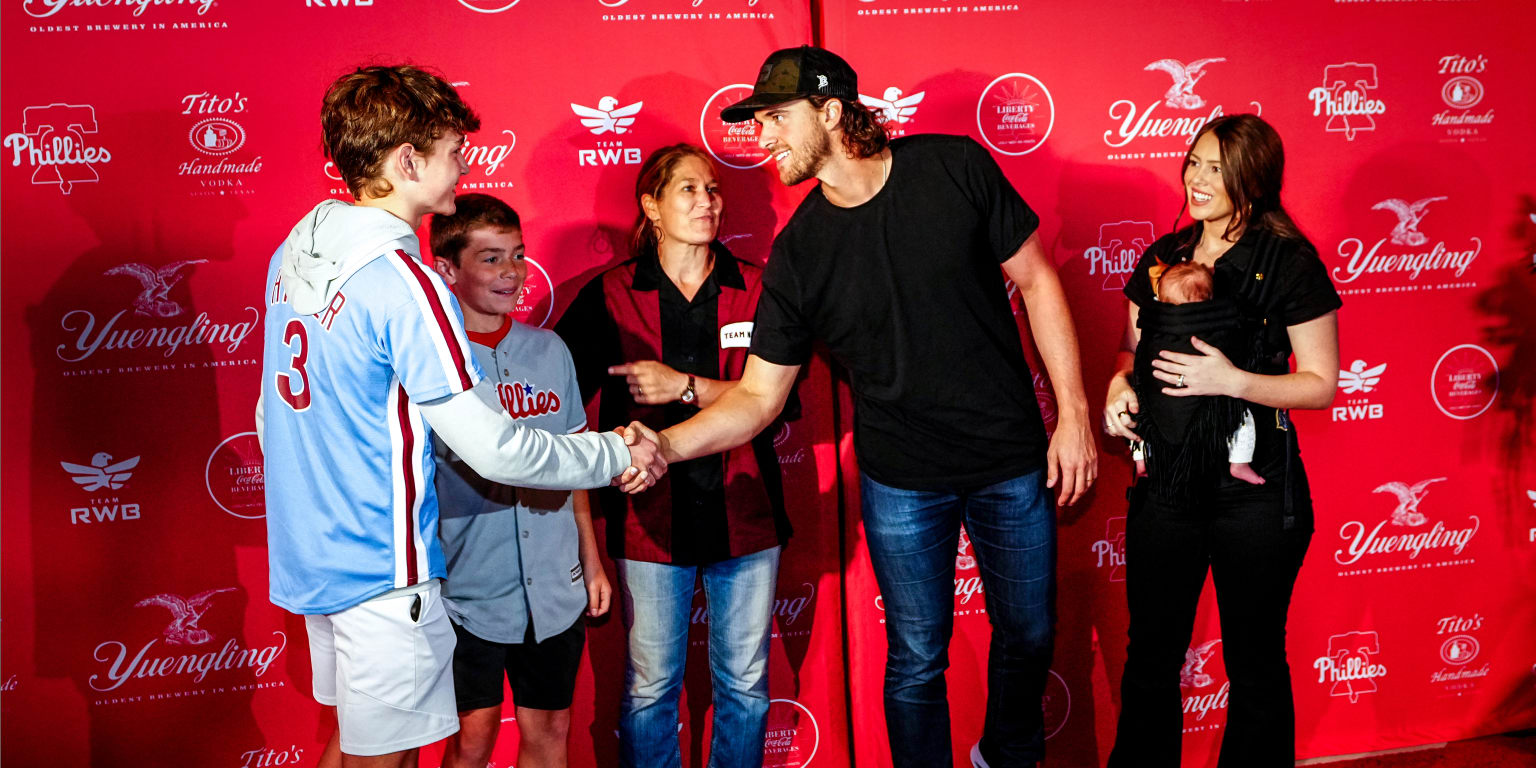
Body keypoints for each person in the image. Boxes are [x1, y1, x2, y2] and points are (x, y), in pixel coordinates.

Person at [625, 47, 1098, 768]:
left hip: (1008, 458)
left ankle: (1005, 756)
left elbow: (1036, 281)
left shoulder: (953, 167)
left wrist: (1073, 416)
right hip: (903, 482)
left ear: (832, 111)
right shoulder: (800, 253)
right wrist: (665, 446)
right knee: (914, 660)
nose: (763, 138)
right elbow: (757, 397)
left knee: (1030, 636)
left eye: (775, 118)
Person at [256, 65, 663, 768]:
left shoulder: (294, 253)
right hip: (383, 568)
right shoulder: (406, 282)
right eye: (452, 150)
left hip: (315, 557)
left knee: (354, 743)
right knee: (390, 757)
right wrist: (613, 452)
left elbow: (270, 419)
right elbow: (497, 450)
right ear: (407, 161)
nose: (462, 166)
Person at [1102, 113, 1341, 768]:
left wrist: (1233, 379)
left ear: (1254, 181)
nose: (1198, 179)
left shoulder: (1288, 260)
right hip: (1167, 489)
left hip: (1256, 496)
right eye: (1194, 163)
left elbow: (1320, 384)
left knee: (1255, 657)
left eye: (1217, 168)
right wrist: (1118, 389)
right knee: (1150, 653)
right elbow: (1129, 350)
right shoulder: (1163, 257)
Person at [554, 144, 791, 768]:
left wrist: (682, 386)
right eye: (687, 189)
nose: (707, 201)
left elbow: (780, 406)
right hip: (647, 523)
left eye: (712, 189)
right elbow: (559, 415)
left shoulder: (758, 287)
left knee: (745, 686)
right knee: (651, 687)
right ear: (650, 207)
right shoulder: (609, 296)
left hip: (746, 516)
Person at [425, 194, 611, 768]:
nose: (510, 273)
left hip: (555, 587)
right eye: (490, 259)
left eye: (517, 256)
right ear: (447, 269)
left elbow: (578, 462)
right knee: (472, 739)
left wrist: (592, 559)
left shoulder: (550, 350)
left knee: (551, 729)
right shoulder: (429, 360)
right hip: (466, 590)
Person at [1129, 261, 1264, 486]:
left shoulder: (1152, 323)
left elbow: (1141, 356)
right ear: (1210, 298)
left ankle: (1141, 458)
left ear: (1161, 300)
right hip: (1208, 410)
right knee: (1242, 418)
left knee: (1141, 412)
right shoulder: (1223, 323)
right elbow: (1242, 350)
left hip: (1159, 398)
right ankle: (1239, 463)